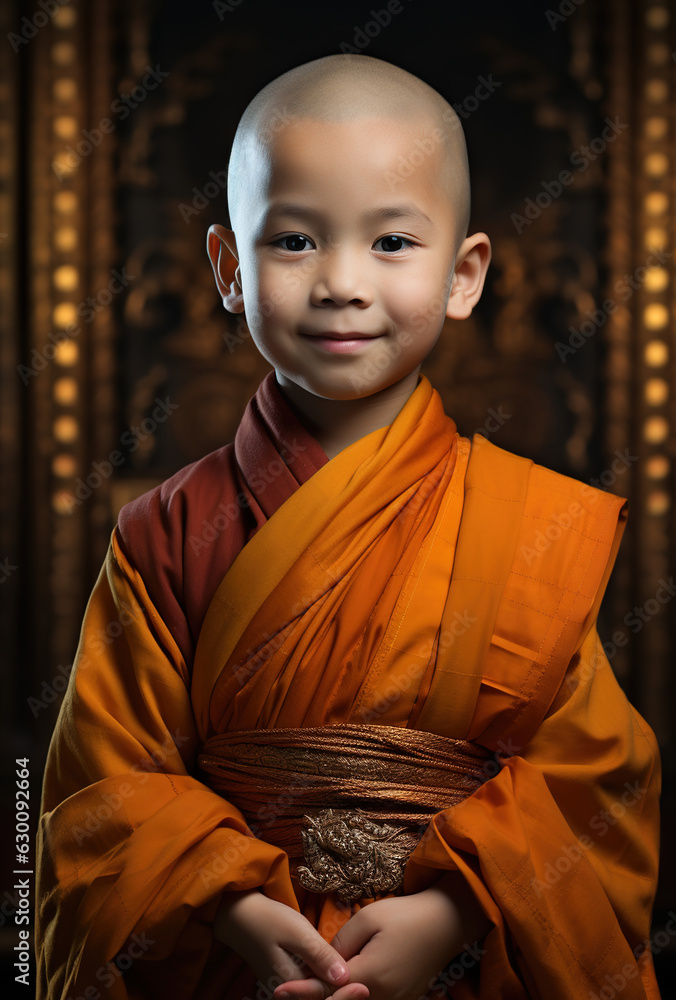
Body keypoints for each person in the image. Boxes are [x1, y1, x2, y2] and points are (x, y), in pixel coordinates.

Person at [35, 54, 661, 1000]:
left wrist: (455, 911)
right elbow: (105, 791)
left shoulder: (529, 523)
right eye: (292, 241)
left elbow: (595, 786)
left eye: (392, 243)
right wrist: (234, 907)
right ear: (228, 269)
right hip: (236, 959)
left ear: (464, 274)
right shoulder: (168, 530)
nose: (339, 282)